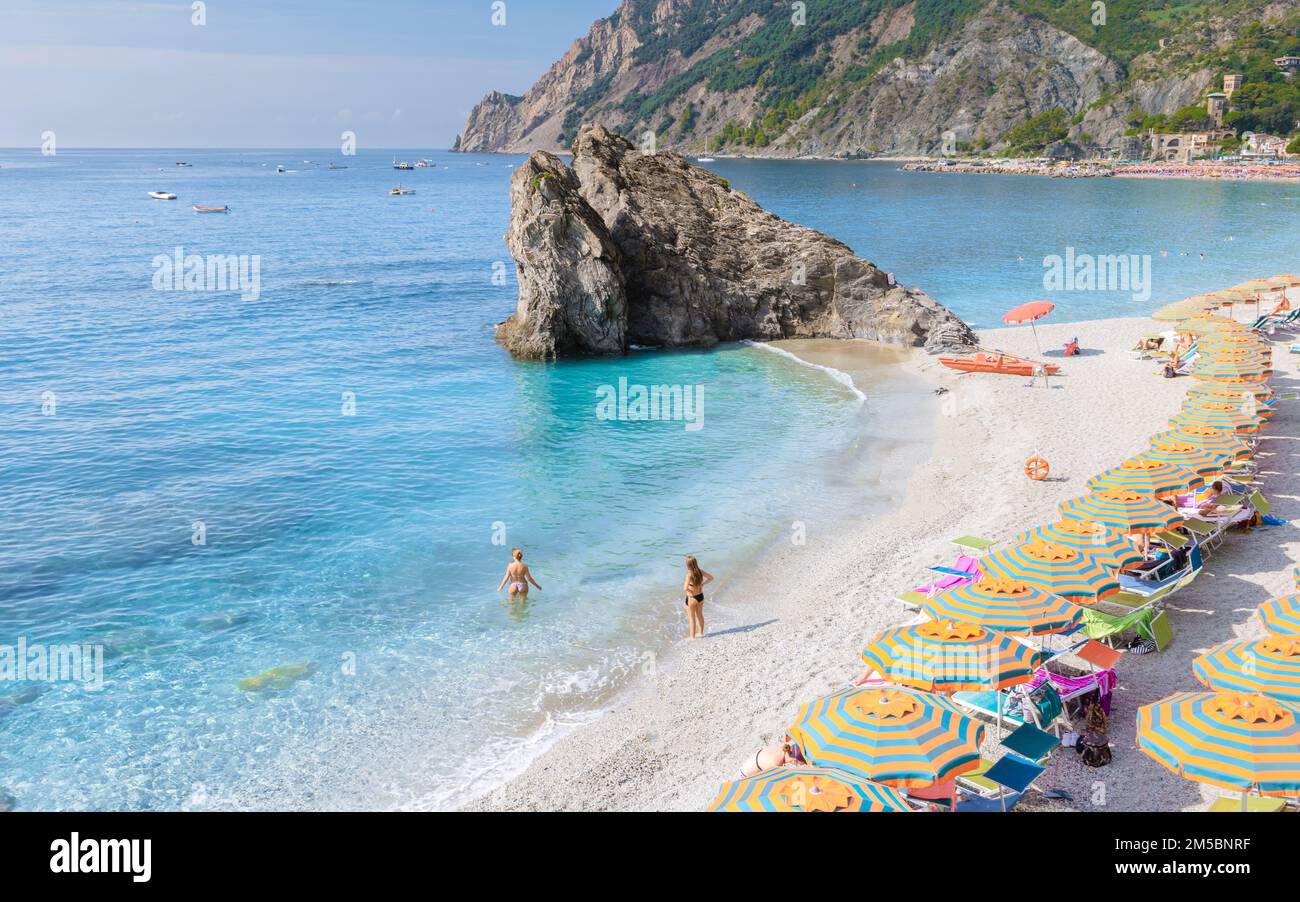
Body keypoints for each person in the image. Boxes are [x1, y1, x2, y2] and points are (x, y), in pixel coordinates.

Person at [683, 555, 713, 639]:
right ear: (696, 563)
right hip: (700, 597)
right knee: (700, 615)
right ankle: (700, 634)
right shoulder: (700, 572)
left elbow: (685, 588)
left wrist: (690, 592)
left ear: (688, 565)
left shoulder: (689, 575)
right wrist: (703, 584)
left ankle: (692, 638)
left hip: (692, 598)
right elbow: (711, 578)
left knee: (692, 619)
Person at [740, 741, 806, 777]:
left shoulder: (782, 749)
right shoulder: (776, 763)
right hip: (746, 774)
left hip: (748, 764)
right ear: (793, 758)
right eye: (795, 762)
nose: (795, 764)